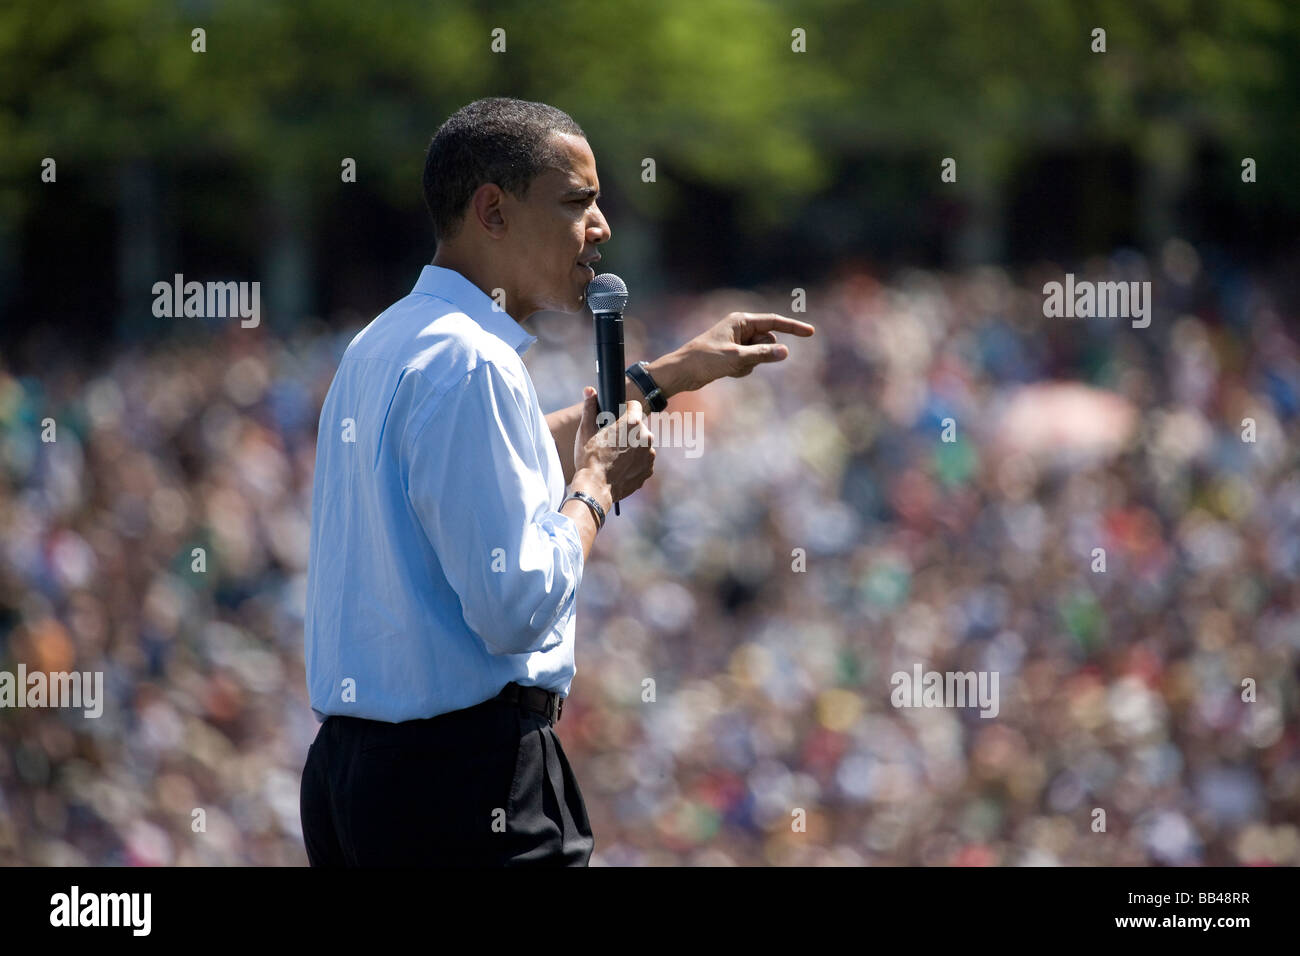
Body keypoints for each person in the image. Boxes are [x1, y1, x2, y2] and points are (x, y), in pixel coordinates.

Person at [299, 96, 814, 866]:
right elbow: (515, 606)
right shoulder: (472, 360)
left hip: (361, 780)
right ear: (493, 212)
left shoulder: (387, 340)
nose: (602, 226)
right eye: (577, 202)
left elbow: (496, 468)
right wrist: (595, 493)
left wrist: (668, 375)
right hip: (465, 787)